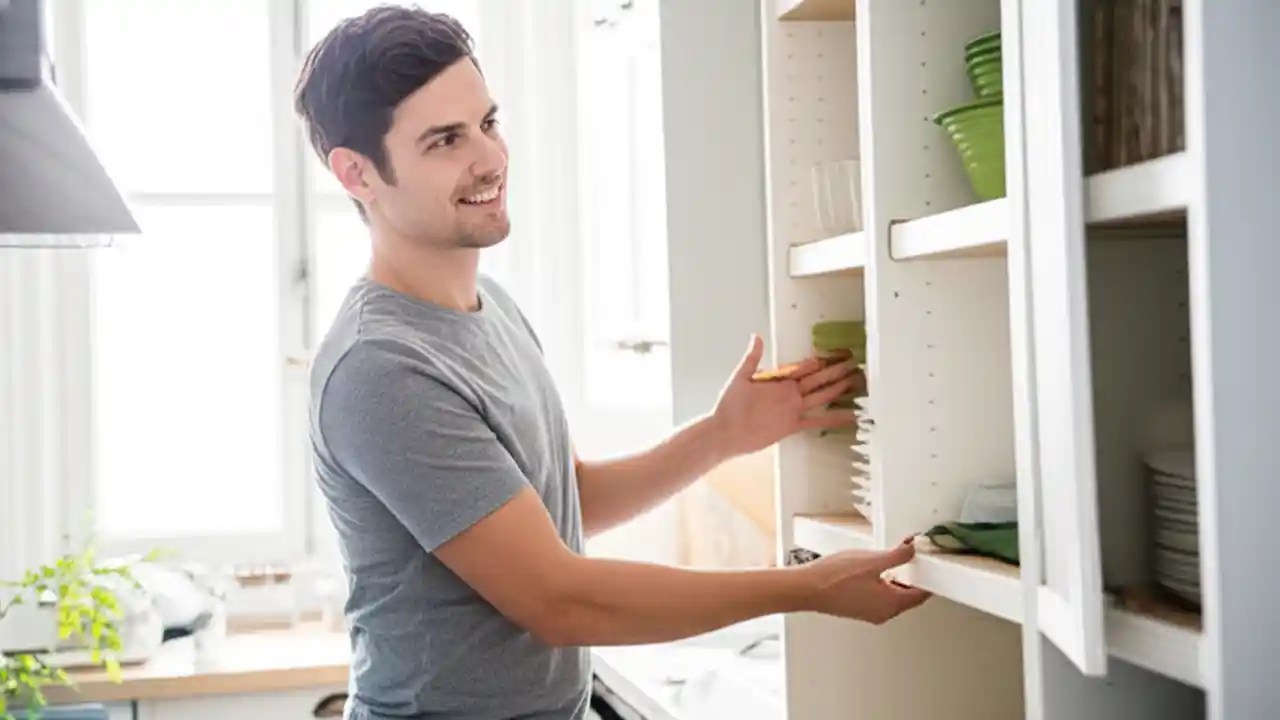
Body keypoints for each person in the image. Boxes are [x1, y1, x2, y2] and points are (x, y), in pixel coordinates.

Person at [294, 6, 929, 719]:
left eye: (489, 123)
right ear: (357, 174)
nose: (490, 159)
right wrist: (806, 588)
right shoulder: (381, 368)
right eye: (445, 140)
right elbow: (561, 600)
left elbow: (567, 501)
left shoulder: (489, 307)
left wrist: (720, 435)